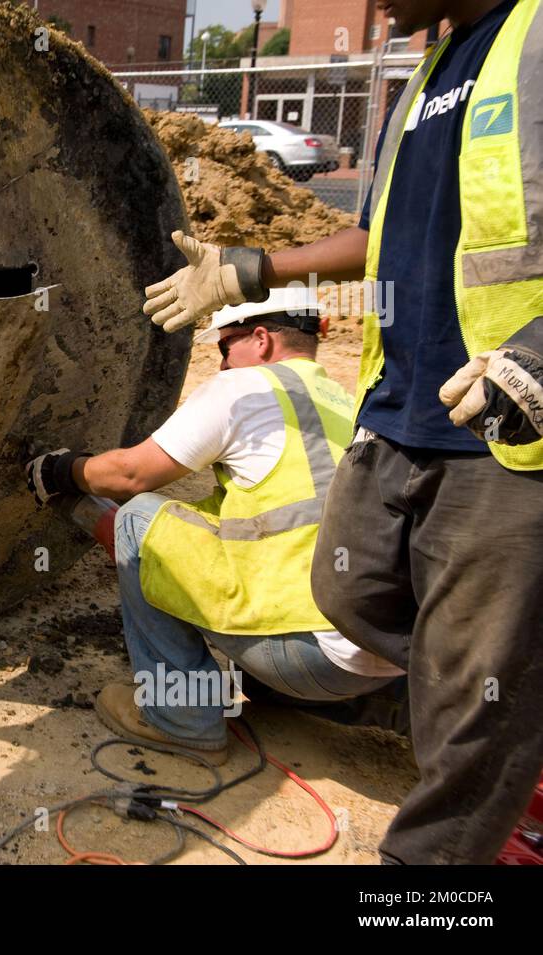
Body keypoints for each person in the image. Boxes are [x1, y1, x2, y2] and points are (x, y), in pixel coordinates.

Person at [137, 0, 543, 864]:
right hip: (403, 407)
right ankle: (493, 697)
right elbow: (378, 235)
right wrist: (254, 267)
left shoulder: (536, 36)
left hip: (507, 425)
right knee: (349, 587)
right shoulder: (428, 75)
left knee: (479, 707)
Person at [27, 289, 404, 764]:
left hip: (310, 653)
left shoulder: (243, 388)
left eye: (226, 347)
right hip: (383, 654)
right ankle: (395, 709)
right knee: (193, 530)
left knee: (141, 517)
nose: (223, 364)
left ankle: (180, 718)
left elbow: (130, 474)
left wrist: (61, 472)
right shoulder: (347, 401)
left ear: (262, 339)